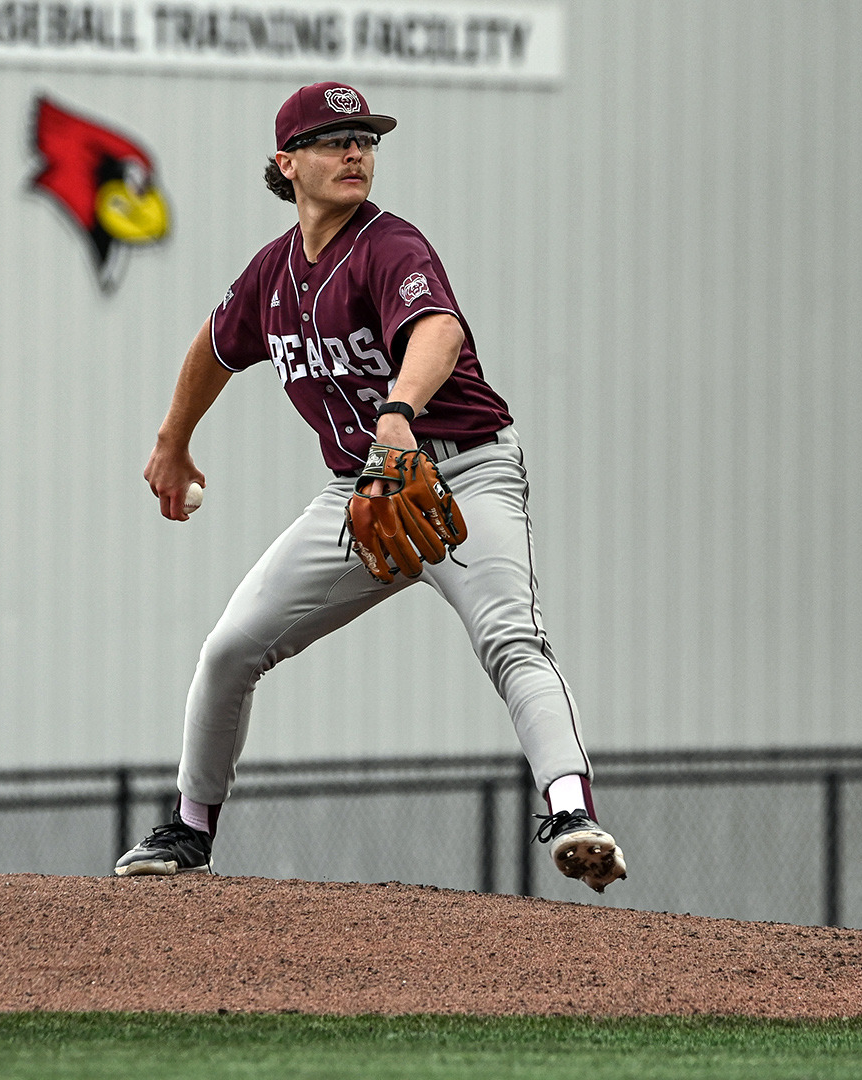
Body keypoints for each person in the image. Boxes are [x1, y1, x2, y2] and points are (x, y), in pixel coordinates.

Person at [113, 82, 626, 892]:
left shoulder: (391, 246)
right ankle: (189, 831)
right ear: (287, 164)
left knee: (510, 638)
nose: (355, 151)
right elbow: (214, 347)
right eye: (331, 139)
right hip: (358, 492)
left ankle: (571, 812)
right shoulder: (272, 274)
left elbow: (438, 330)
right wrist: (173, 440)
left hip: (465, 473)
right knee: (230, 648)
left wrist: (397, 414)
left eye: (365, 138)